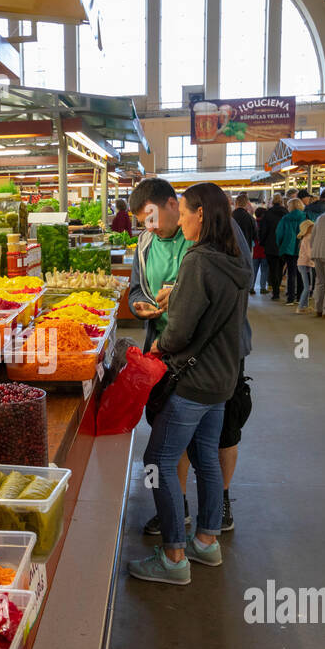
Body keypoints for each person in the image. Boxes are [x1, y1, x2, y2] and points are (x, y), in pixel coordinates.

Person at [128, 183, 250, 585]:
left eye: (183, 211)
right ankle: (206, 541)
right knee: (207, 460)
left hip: (191, 379)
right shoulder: (232, 258)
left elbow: (179, 333)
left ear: (201, 214)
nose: (179, 219)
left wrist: (158, 347)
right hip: (221, 376)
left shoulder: (197, 260)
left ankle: (174, 557)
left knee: (158, 461)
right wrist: (175, 295)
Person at [275, 198, 307, 304]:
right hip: (302, 248)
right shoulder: (305, 217)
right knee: (301, 274)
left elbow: (279, 233)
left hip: (288, 248)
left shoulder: (285, 218)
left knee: (291, 274)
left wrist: (280, 244)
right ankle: (300, 297)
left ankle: (290, 298)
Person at [258, 194, 287, 300]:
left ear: (272, 202)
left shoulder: (267, 214)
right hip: (283, 245)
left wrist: (262, 242)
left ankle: (275, 292)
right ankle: (277, 288)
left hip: (270, 246)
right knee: (280, 268)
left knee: (272, 269)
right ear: (282, 202)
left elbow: (263, 230)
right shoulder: (286, 213)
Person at [296, 219, 316, 312]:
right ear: (307, 228)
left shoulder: (306, 237)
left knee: (308, 286)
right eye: (312, 227)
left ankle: (306, 306)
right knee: (307, 287)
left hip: (304, 264)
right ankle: (300, 307)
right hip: (305, 264)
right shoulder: (308, 238)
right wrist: (315, 260)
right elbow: (309, 253)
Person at [252, 207, 269, 293]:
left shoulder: (253, 223)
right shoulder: (266, 224)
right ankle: (263, 288)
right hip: (264, 250)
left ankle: (251, 287)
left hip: (255, 250)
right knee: (264, 270)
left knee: (254, 270)